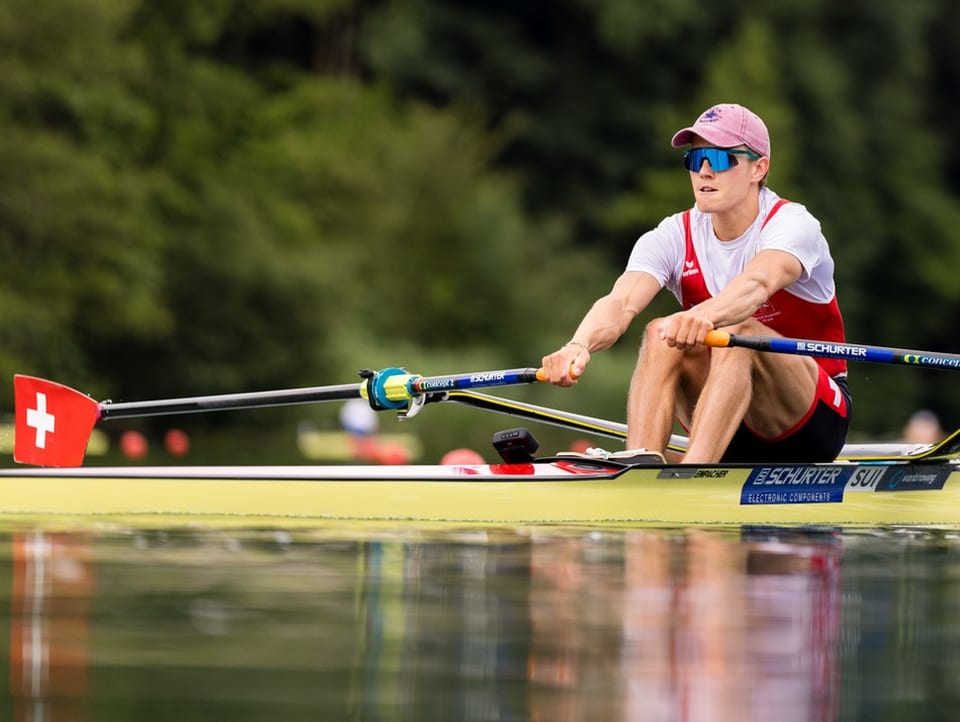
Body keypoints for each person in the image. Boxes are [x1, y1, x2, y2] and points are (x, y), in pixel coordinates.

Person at [540, 103, 851, 463]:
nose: (704, 171)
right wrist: (579, 345)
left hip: (814, 420)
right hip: (729, 425)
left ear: (759, 168)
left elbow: (757, 283)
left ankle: (694, 472)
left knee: (738, 331)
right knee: (660, 333)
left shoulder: (793, 224)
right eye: (695, 158)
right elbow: (621, 301)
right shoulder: (673, 234)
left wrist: (704, 315)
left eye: (719, 159)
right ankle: (641, 464)